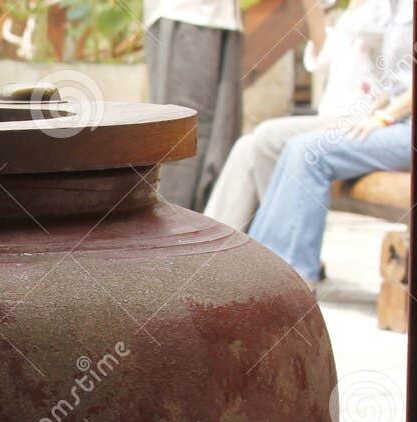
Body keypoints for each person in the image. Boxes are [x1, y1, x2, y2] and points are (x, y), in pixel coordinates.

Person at [206, 0, 403, 230]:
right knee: (247, 146)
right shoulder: (352, 10)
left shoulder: (386, 7)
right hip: (333, 116)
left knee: (267, 138)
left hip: (361, 119)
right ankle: (214, 242)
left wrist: (383, 115)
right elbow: (323, 57)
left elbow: (397, 66)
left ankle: (279, 240)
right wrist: (313, 8)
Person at [247, 84, 412, 286]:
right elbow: (392, 88)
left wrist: (385, 117)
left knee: (308, 152)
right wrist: (358, 117)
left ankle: (294, 281)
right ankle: (259, 268)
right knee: (294, 145)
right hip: (395, 123)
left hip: (406, 128)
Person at [144, 0, 245, 210]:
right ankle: (175, 237)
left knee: (222, 142)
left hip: (221, 17)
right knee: (184, 147)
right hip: (187, 16)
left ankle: (203, 233)